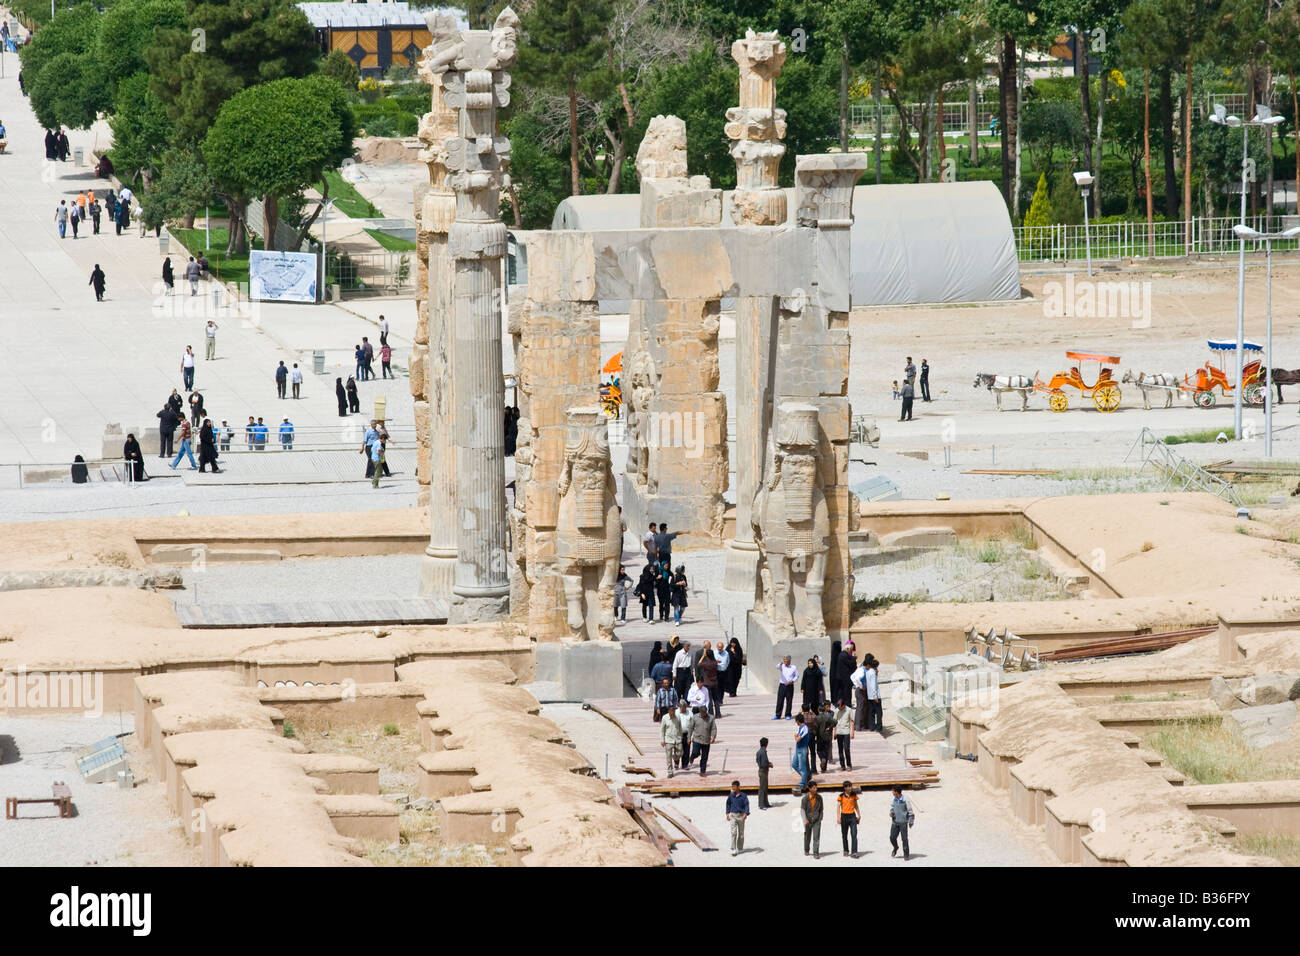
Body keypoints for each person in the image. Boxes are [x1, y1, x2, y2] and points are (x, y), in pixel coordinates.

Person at [724, 781, 749, 856]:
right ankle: (734, 848)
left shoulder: (743, 796)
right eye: (732, 786)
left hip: (741, 816)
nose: (733, 788)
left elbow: (746, 804)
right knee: (733, 832)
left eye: (734, 786)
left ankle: (740, 848)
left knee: (741, 833)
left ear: (738, 787)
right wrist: (727, 813)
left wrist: (746, 813)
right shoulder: (731, 795)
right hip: (733, 815)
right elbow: (728, 804)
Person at [889, 787, 915, 859]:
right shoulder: (894, 799)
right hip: (895, 822)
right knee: (892, 838)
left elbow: (910, 811)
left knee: (904, 839)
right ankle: (896, 847)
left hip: (903, 822)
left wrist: (911, 821)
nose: (892, 792)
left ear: (896, 792)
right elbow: (892, 808)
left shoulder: (905, 800)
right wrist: (891, 813)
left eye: (893, 791)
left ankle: (906, 854)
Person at [690, 706, 716, 778]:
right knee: (696, 752)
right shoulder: (695, 717)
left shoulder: (711, 718)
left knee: (704, 757)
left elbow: (713, 728)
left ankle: (702, 771)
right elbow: (690, 728)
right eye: (702, 712)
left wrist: (713, 737)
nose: (704, 714)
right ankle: (692, 757)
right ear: (700, 712)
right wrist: (689, 737)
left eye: (705, 712)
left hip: (706, 740)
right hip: (697, 739)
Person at [801, 781, 824, 859]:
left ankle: (816, 853)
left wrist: (820, 818)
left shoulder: (819, 797)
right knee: (807, 836)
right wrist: (805, 820)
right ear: (809, 788)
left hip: (817, 820)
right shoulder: (805, 799)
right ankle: (806, 849)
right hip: (808, 820)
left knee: (816, 837)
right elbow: (802, 810)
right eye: (814, 788)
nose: (816, 789)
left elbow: (821, 809)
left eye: (816, 787)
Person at [659, 704, 682, 778]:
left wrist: (681, 737)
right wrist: (662, 740)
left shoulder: (678, 717)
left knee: (680, 753)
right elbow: (662, 730)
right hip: (668, 739)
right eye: (671, 710)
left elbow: (680, 727)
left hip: (677, 739)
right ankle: (670, 772)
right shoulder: (664, 718)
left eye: (674, 710)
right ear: (669, 711)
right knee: (668, 757)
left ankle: (675, 758)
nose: (673, 712)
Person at [838, 782, 861, 858]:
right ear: (845, 788)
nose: (850, 788)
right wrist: (838, 817)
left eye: (851, 786)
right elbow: (838, 807)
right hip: (844, 816)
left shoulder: (854, 795)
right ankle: (846, 850)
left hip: (852, 816)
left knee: (854, 834)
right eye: (849, 787)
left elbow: (856, 805)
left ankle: (854, 852)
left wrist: (859, 815)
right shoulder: (840, 796)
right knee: (844, 835)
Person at [697, 648, 721, 718]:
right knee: (716, 699)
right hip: (715, 682)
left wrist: (703, 656)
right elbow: (715, 661)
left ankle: (711, 714)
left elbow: (698, 664)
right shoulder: (715, 663)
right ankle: (718, 713)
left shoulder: (706, 664)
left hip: (707, 683)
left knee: (709, 699)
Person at [792, 713, 811, 793]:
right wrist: (796, 736)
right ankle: (805, 777)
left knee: (803, 768)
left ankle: (803, 782)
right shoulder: (800, 728)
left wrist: (796, 736)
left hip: (802, 749)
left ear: (798, 721)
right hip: (798, 748)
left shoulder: (805, 728)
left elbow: (797, 738)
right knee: (794, 764)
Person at [815, 701, 836, 774]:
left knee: (819, 750)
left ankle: (822, 759)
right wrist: (830, 727)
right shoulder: (828, 717)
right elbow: (835, 722)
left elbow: (815, 728)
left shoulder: (817, 718)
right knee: (826, 751)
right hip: (827, 736)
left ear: (819, 710)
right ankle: (824, 768)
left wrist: (814, 735)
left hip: (820, 736)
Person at [774, 655, 797, 720]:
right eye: (784, 659)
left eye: (786, 660)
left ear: (789, 660)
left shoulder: (793, 667)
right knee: (780, 700)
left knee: (789, 700)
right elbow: (777, 666)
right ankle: (778, 715)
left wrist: (793, 680)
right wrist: (780, 663)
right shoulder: (782, 666)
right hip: (782, 685)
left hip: (790, 686)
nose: (785, 661)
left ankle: (788, 714)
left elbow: (796, 675)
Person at [851, 656, 871, 732]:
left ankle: (860, 725)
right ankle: (859, 726)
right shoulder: (862, 670)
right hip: (861, 691)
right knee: (860, 708)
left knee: (861, 708)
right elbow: (856, 678)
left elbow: (852, 676)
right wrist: (860, 686)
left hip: (860, 690)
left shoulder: (860, 669)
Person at [835, 698, 854, 771]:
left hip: (846, 732)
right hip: (839, 732)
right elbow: (835, 722)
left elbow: (852, 721)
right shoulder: (836, 710)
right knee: (840, 749)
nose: (839, 708)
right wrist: (835, 732)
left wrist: (852, 732)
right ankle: (842, 765)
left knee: (846, 749)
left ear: (844, 705)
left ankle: (849, 764)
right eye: (838, 707)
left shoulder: (849, 710)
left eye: (840, 707)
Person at [865, 656, 883, 733]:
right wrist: (875, 696)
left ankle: (872, 726)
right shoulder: (872, 673)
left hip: (869, 696)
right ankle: (879, 727)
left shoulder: (868, 672)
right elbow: (873, 685)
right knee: (879, 712)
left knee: (871, 712)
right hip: (875, 696)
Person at [755, 737, 772, 810]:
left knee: (764, 787)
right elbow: (764, 763)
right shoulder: (763, 752)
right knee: (762, 788)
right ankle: (762, 804)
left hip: (761, 771)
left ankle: (766, 803)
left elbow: (757, 761)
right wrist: (770, 764)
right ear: (766, 744)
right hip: (764, 771)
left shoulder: (759, 751)